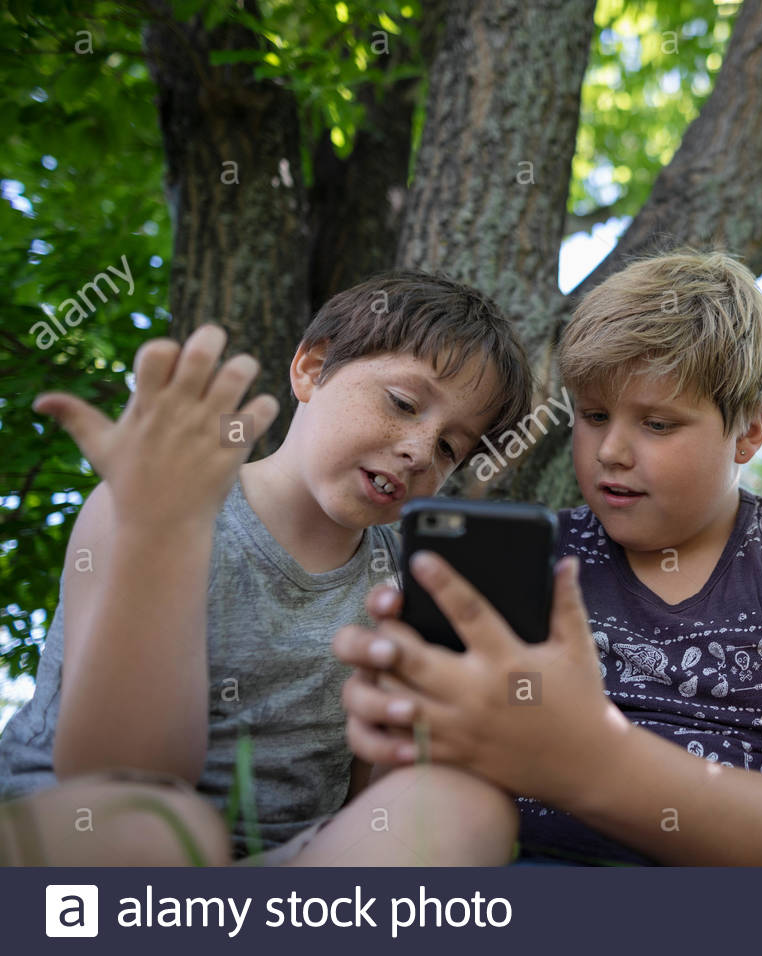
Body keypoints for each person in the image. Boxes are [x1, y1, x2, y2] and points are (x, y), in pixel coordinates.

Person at [333, 250, 762, 865]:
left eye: (658, 424)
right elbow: (394, 800)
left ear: (749, 432)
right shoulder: (528, 556)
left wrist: (588, 762)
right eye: (594, 415)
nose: (611, 450)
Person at [0, 271, 534, 866]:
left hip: (284, 864)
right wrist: (159, 534)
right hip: (90, 830)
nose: (419, 448)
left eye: (448, 449)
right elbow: (118, 771)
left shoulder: (402, 576)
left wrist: (422, 710)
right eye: (403, 403)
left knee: (463, 808)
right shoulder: (162, 505)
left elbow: (372, 800)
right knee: (158, 829)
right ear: (312, 368)